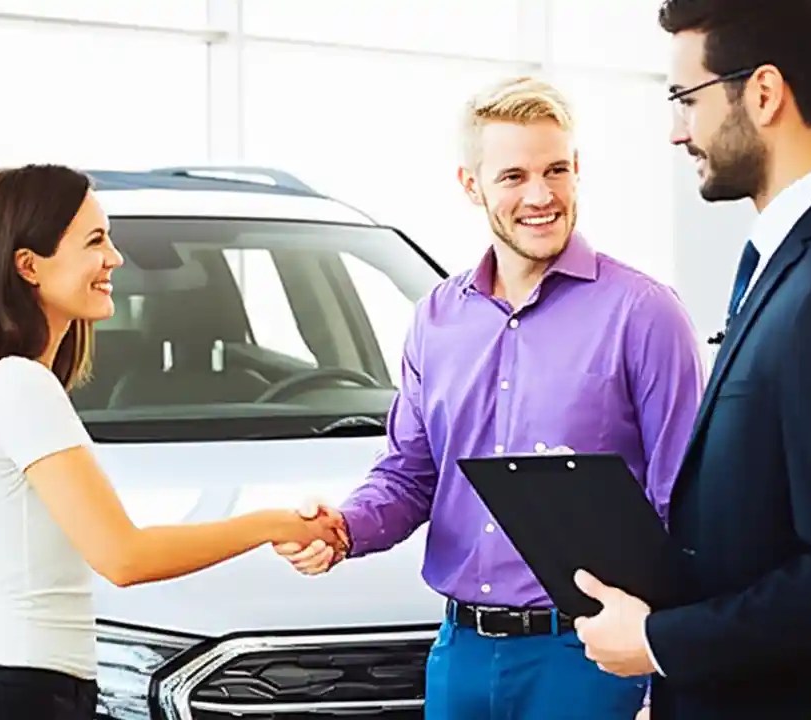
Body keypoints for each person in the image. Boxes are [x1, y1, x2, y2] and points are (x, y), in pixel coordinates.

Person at [274, 76, 705, 719]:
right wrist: (344, 528)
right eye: (513, 176)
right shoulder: (435, 320)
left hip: (590, 658)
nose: (541, 196)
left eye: (557, 170)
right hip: (461, 657)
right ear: (471, 185)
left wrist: (668, 646)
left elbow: (688, 501)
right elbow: (410, 474)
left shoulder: (644, 314)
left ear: (578, 172)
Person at [572, 2, 811, 718]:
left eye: (686, 98)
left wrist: (659, 643)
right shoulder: (797, 268)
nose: (676, 130)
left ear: (764, 93)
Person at [0, 164, 343, 719]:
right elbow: (123, 556)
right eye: (95, 240)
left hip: (22, 692)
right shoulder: (19, 385)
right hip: (17, 698)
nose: (115, 258)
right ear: (28, 265)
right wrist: (271, 524)